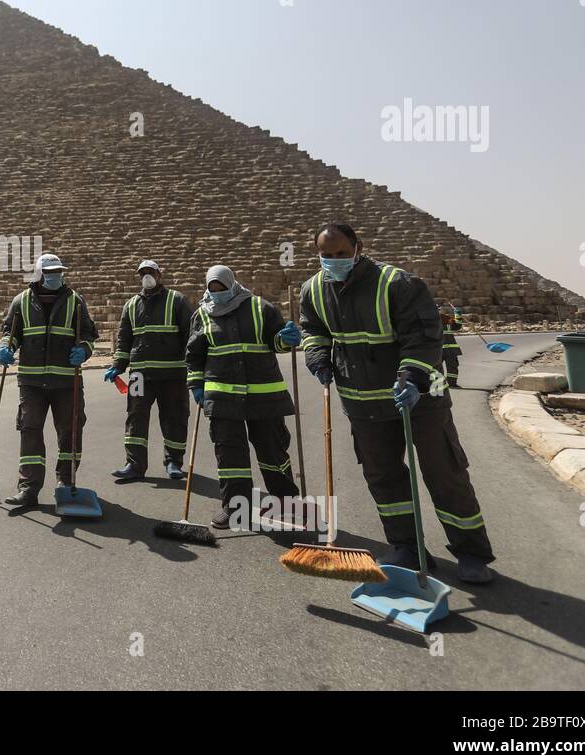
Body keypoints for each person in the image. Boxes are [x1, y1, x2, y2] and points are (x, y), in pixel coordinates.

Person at [300, 223, 494, 583]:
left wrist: (414, 377)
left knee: (444, 472)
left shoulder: (398, 284)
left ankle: (471, 552)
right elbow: (313, 329)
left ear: (359, 247)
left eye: (341, 253)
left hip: (419, 398)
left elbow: (423, 337)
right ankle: (406, 545)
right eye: (326, 255)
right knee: (383, 477)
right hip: (363, 403)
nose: (334, 261)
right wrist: (317, 356)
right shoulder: (313, 289)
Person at [186, 264, 303, 529]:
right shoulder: (202, 315)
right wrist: (196, 385)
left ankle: (286, 502)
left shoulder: (261, 307)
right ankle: (236, 507)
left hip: (264, 396)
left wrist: (286, 340)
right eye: (212, 289)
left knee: (272, 451)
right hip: (222, 398)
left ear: (232, 284)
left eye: (222, 288)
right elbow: (194, 356)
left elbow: (276, 341)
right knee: (229, 456)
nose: (217, 293)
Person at [0, 253, 98, 506]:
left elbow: (88, 333)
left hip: (66, 381)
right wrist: (5, 347)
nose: (56, 276)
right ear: (40, 273)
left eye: (59, 271)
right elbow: (10, 332)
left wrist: (84, 350)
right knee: (29, 431)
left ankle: (66, 482)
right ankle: (29, 488)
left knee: (70, 432)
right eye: (50, 272)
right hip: (31, 383)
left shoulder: (76, 301)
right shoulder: (21, 302)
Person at [106, 260, 193, 481]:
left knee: (175, 416)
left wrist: (195, 370)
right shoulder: (131, 305)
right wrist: (117, 366)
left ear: (159, 273)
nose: (147, 276)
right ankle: (134, 465)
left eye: (150, 272)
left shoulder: (178, 300)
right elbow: (124, 340)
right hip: (139, 374)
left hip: (172, 373)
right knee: (135, 416)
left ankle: (173, 461)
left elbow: (190, 337)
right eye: (142, 273)